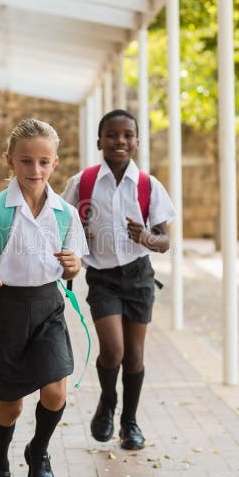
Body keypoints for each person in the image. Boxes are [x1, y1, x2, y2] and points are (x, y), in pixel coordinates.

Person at [0, 119, 88, 477]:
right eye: (26, 161)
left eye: (44, 162)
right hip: (7, 310)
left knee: (55, 393)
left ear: (55, 163)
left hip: (48, 306)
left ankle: (39, 452)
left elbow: (76, 263)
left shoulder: (65, 212)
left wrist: (73, 266)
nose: (36, 170)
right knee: (11, 406)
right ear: (10, 161)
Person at [62, 109, 175, 451]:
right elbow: (65, 225)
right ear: (100, 141)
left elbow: (165, 241)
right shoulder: (82, 183)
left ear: (137, 142)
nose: (120, 141)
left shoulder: (148, 186)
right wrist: (73, 254)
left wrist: (145, 238)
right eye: (112, 135)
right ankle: (108, 401)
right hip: (103, 278)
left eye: (127, 135)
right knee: (113, 349)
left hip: (139, 277)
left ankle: (130, 421)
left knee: (135, 356)